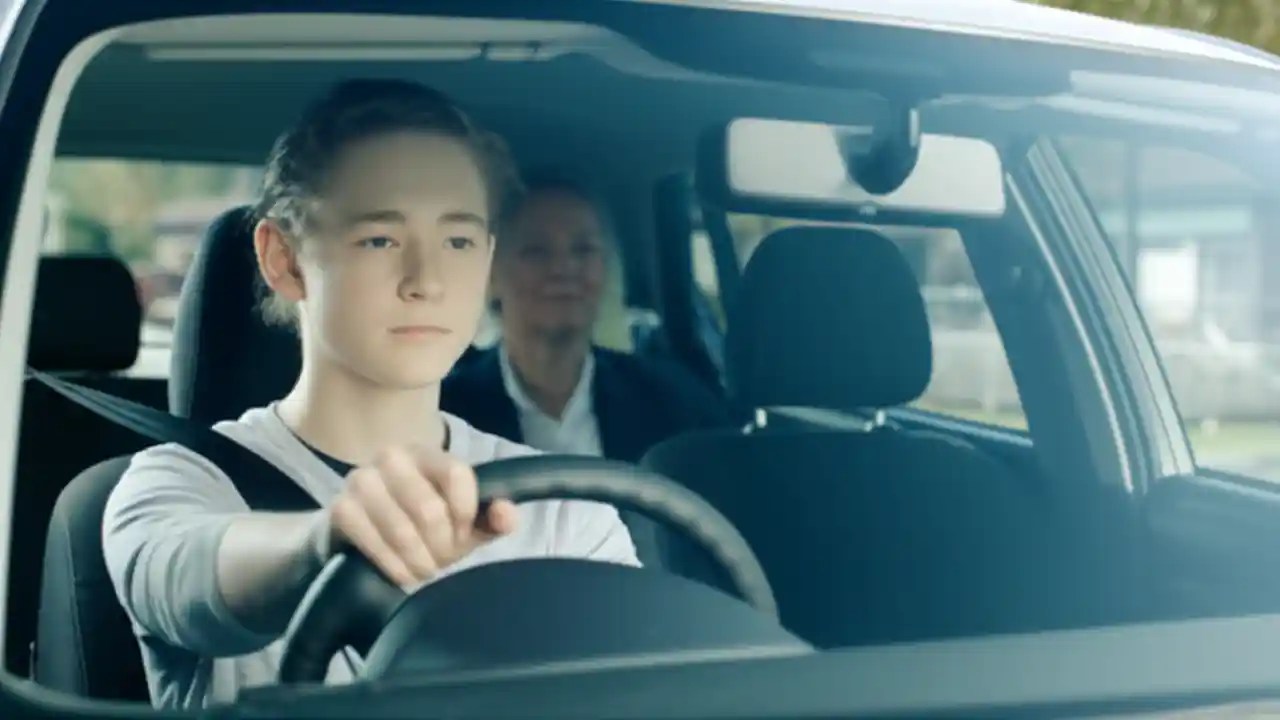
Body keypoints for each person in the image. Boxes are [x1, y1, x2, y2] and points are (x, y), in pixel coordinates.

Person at [101, 80, 638, 710]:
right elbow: (190, 580)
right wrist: (322, 540)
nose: (427, 281)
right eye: (380, 239)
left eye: (458, 241)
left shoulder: (565, 509)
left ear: (488, 257)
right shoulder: (180, 482)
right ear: (285, 259)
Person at [440, 173, 729, 465]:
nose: (564, 268)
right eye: (537, 251)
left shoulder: (673, 401)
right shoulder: (445, 413)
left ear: (603, 269)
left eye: (583, 250)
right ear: (491, 275)